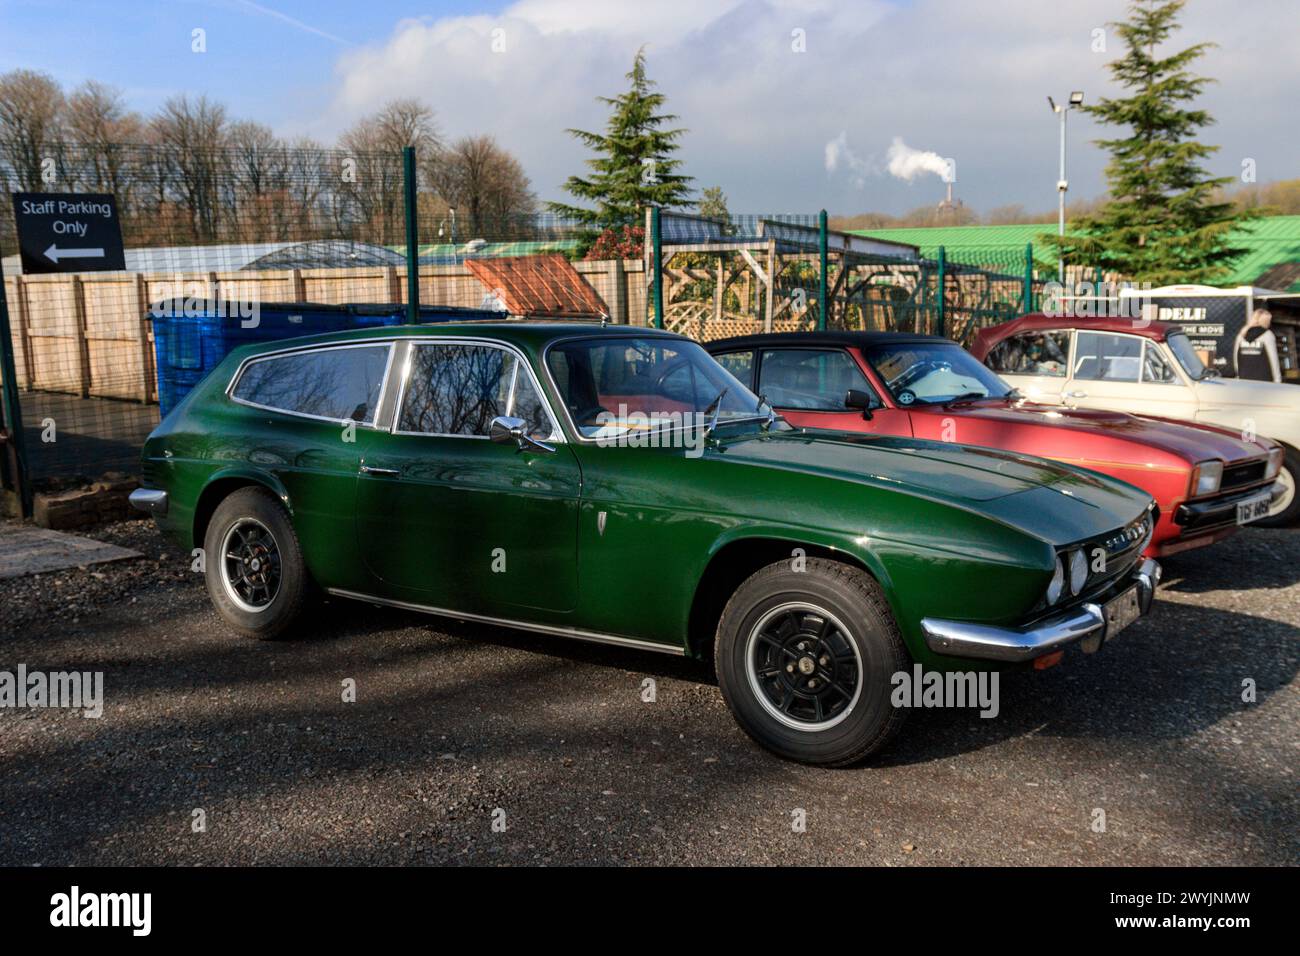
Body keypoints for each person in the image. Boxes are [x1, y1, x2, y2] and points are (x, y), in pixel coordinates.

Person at [1234, 307, 1281, 382]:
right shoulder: (1267, 335)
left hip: (1244, 379)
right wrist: (1277, 379)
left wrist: (1239, 375)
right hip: (1264, 380)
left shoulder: (1241, 335)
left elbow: (1236, 360)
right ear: (1266, 321)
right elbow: (1273, 359)